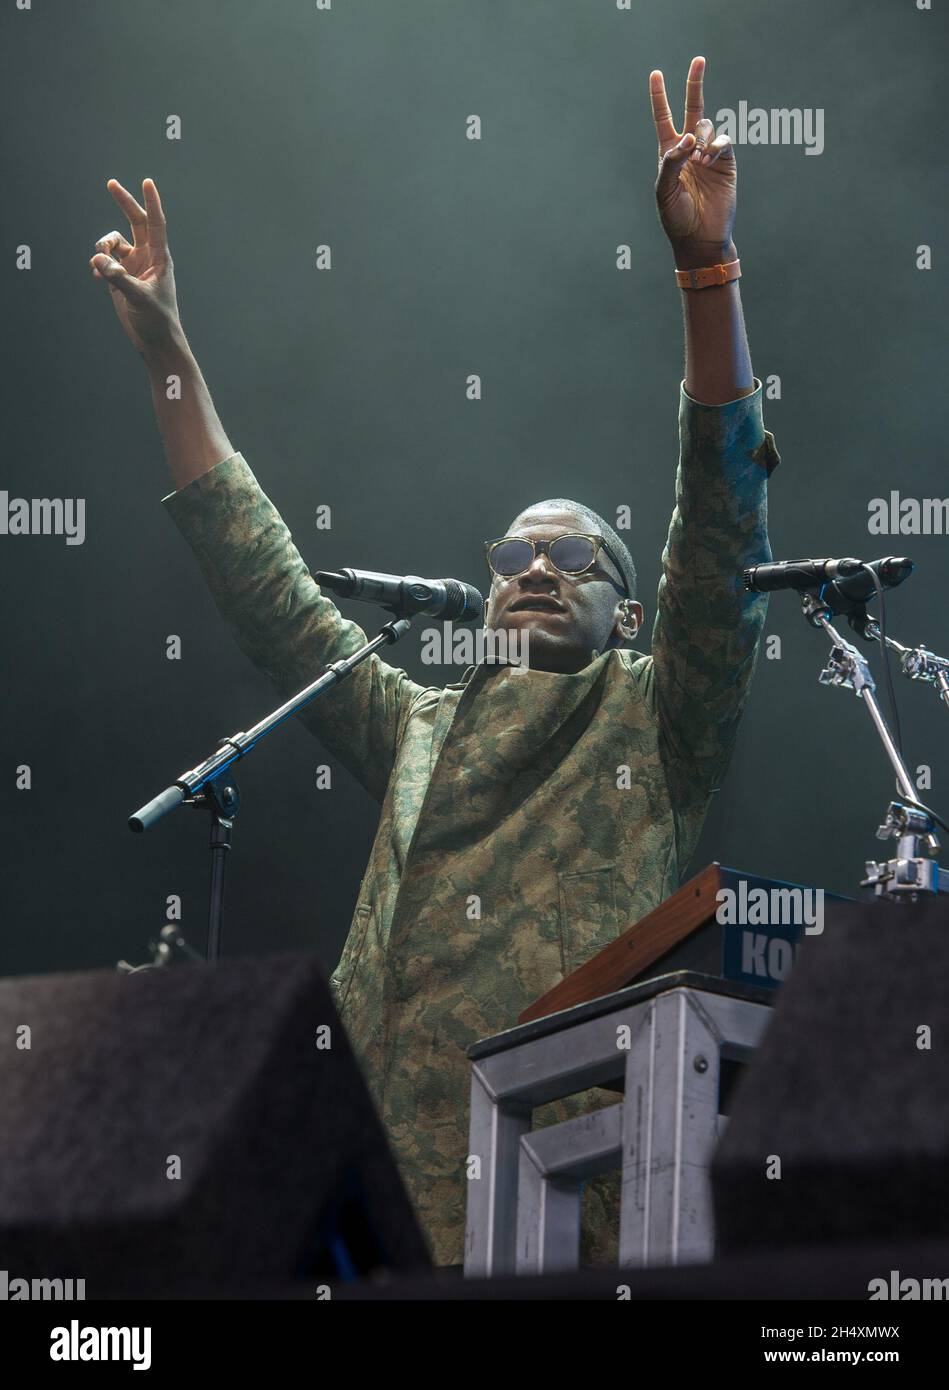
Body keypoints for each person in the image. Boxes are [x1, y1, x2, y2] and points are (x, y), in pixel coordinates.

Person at [89, 56, 779, 1268]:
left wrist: (702, 269)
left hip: (565, 1193)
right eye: (513, 548)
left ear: (630, 613)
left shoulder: (657, 714)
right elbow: (268, 587)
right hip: (370, 1196)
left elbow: (721, 523)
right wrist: (167, 346)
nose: (533, 565)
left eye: (575, 555)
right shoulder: (417, 720)